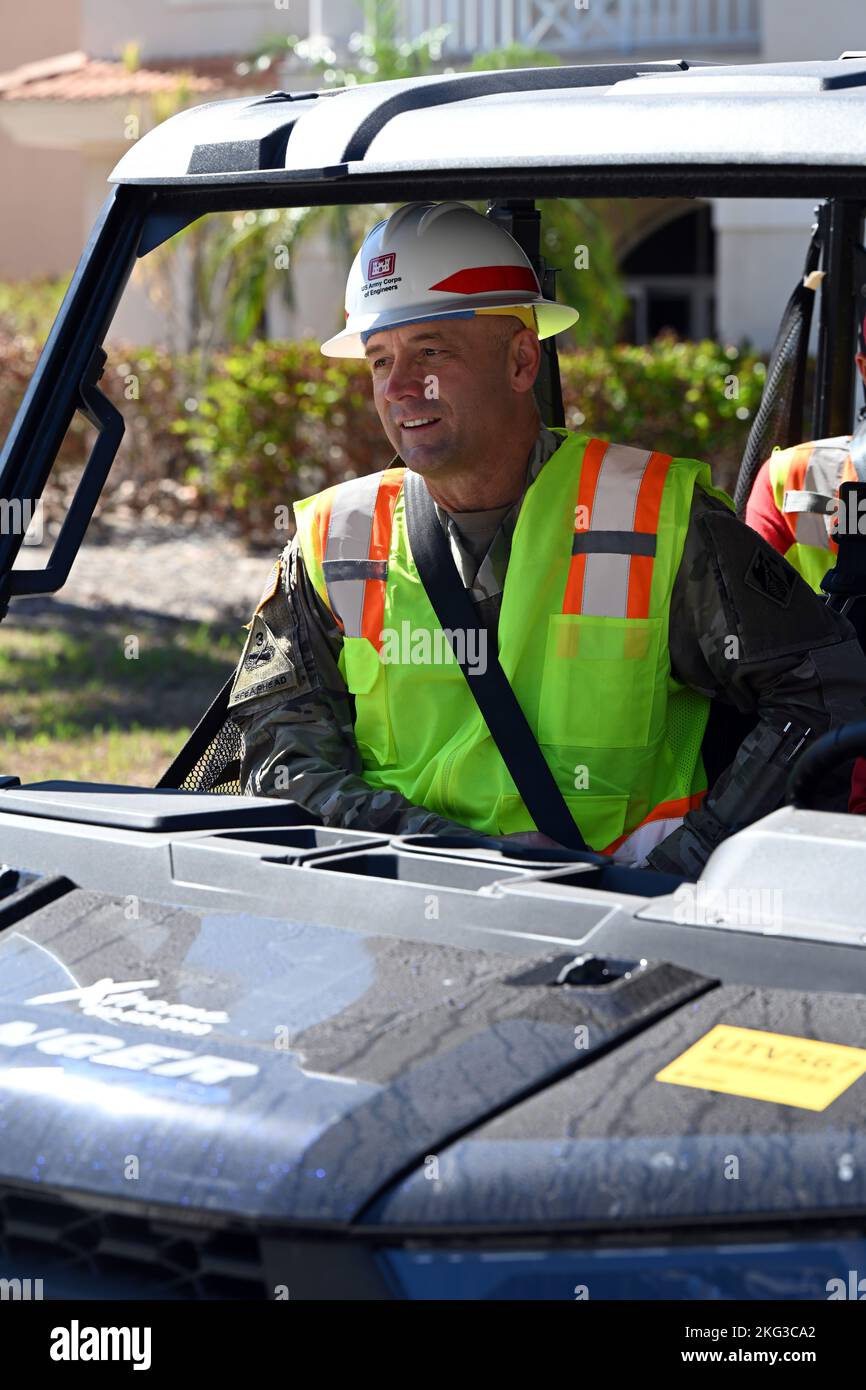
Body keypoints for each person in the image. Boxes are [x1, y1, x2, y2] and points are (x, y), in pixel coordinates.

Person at [228, 201, 866, 877]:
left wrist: (691, 868)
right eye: (380, 360)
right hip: (401, 928)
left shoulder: (658, 518)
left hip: (623, 939)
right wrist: (461, 859)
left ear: (522, 361)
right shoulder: (332, 544)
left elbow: (824, 693)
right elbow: (279, 765)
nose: (400, 387)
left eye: (430, 352)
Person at [746, 315, 866, 813]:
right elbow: (741, 641)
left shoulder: (792, 475)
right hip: (824, 793)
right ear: (863, 367)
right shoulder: (791, 477)